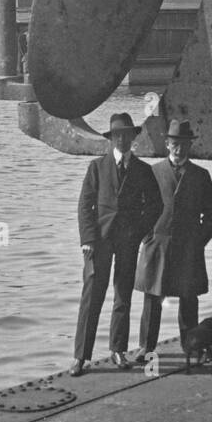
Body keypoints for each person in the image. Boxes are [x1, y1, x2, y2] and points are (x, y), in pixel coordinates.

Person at [70, 113, 163, 377]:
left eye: (126, 135)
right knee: (92, 297)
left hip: (128, 241)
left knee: (123, 294)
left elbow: (156, 206)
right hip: (99, 241)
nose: (122, 140)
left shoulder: (144, 171)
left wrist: (139, 232)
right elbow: (85, 207)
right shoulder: (97, 168)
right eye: (117, 135)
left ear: (134, 138)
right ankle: (81, 356)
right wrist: (87, 240)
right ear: (111, 139)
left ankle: (118, 350)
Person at [133, 118, 212, 361]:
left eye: (183, 144)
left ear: (189, 146)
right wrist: (147, 236)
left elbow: (211, 214)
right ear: (167, 144)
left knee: (188, 299)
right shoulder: (154, 172)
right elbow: (140, 208)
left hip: (189, 246)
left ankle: (189, 346)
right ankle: (146, 347)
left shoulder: (201, 175)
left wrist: (199, 240)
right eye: (174, 143)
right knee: (152, 299)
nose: (178, 148)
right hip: (157, 245)